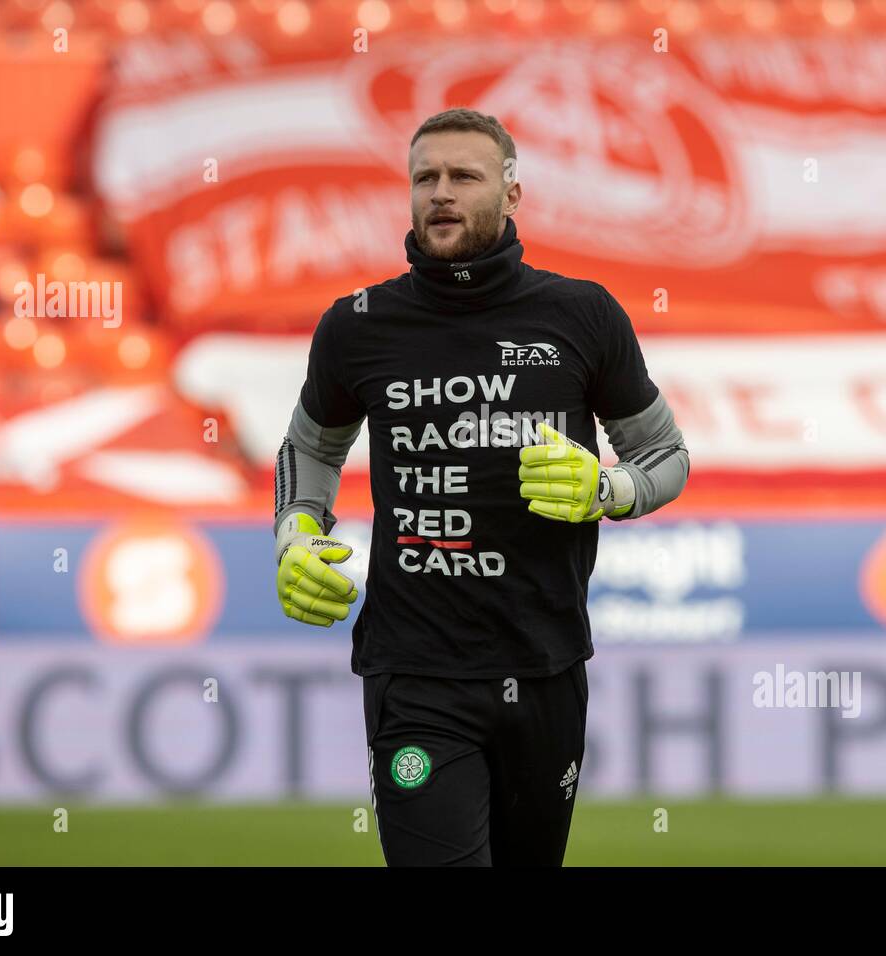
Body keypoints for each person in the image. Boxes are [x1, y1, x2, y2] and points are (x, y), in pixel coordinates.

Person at [272, 108, 689, 866]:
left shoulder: (582, 314)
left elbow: (665, 454)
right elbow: (308, 450)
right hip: (416, 671)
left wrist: (610, 489)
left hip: (546, 665)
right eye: (425, 177)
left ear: (513, 192)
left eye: (464, 176)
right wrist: (296, 532)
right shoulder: (357, 325)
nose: (441, 193)